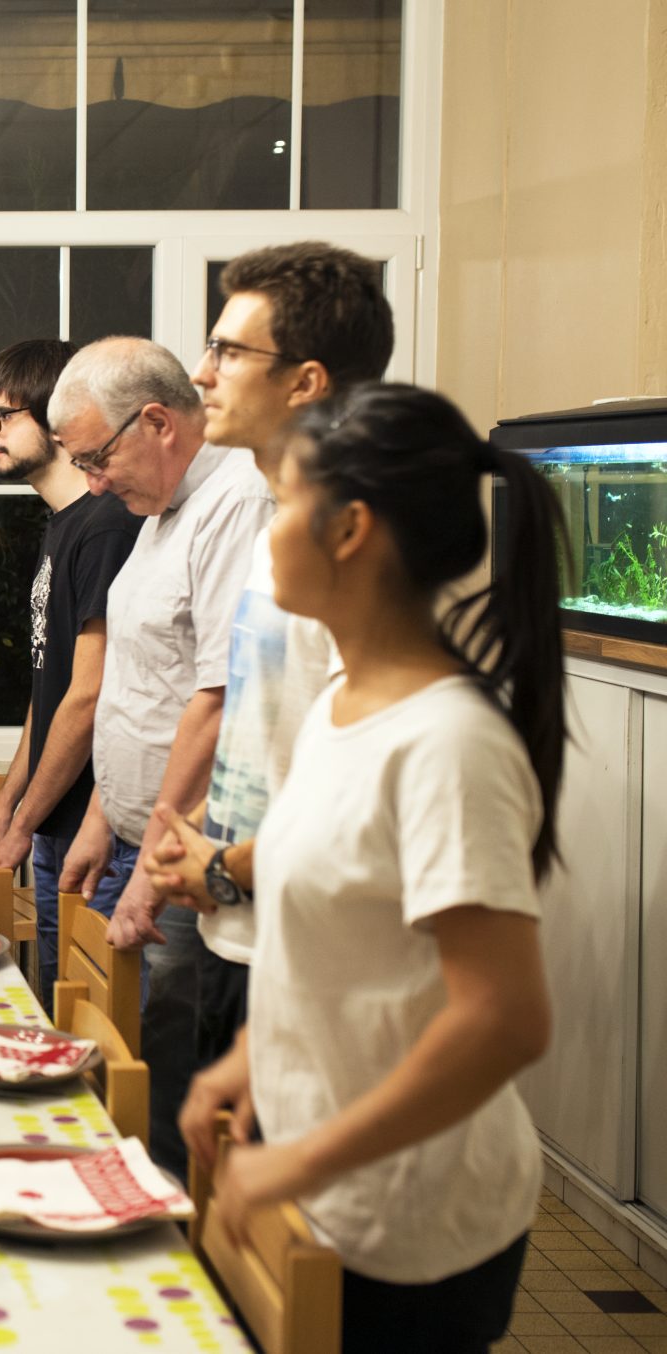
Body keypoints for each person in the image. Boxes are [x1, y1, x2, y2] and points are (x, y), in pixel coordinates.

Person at [181, 384, 560, 1350]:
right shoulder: (343, 704)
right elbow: (339, 949)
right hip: (320, 1189)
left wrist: (301, 1159)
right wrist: (251, 1063)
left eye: (287, 505)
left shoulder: (446, 745)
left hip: (409, 1219)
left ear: (350, 529)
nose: (271, 537)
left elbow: (504, 1018)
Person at [140, 243, 394, 1078]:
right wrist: (201, 834)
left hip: (319, 956)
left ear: (306, 382)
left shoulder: (357, 551)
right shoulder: (280, 537)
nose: (201, 374)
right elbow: (275, 738)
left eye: (228, 352)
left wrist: (226, 863)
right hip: (239, 928)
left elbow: (372, 797)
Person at [49, 337, 272, 1177]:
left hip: (187, 858)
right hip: (145, 841)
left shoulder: (234, 505)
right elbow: (144, 686)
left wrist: (148, 865)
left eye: (98, 458)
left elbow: (213, 703)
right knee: (136, 1070)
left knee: (173, 1093)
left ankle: (181, 1270)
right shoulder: (159, 511)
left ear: (157, 421)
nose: (95, 483)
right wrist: (104, 818)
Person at [0, 339, 138, 982]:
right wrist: (6, 807)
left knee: (98, 1026)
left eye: (1, 416)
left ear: (55, 415)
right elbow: (51, 689)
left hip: (100, 827)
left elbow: (89, 699)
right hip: (58, 818)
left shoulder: (108, 524)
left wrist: (20, 824)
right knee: (63, 1008)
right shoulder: (64, 522)